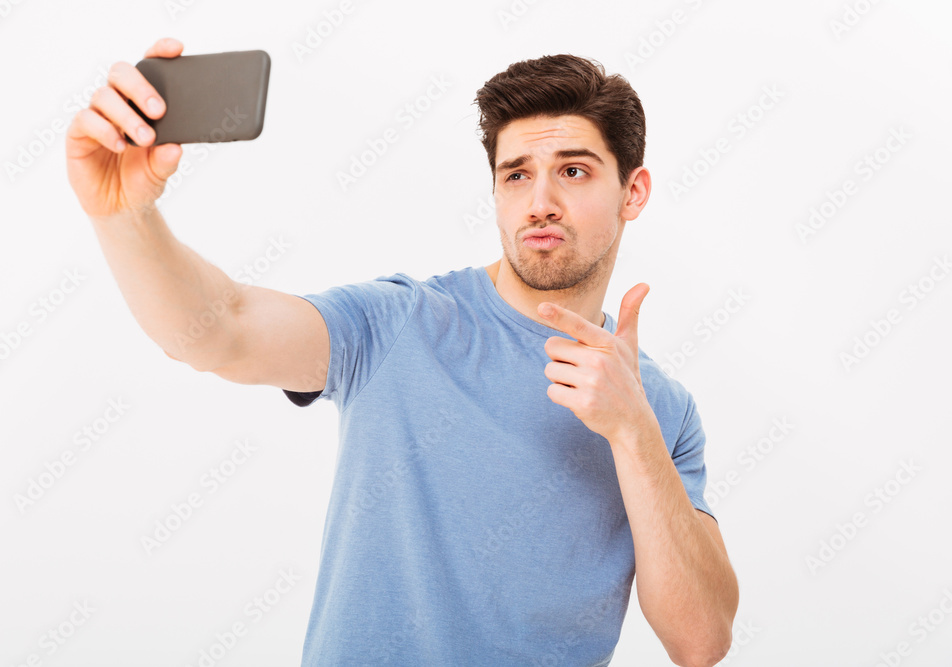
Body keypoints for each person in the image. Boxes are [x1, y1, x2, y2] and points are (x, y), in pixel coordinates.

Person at [66, 37, 739, 667]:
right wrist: (120, 214)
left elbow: (702, 640)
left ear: (632, 192)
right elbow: (221, 330)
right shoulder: (399, 323)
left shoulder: (662, 410)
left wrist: (633, 431)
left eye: (573, 170)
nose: (540, 202)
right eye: (516, 175)